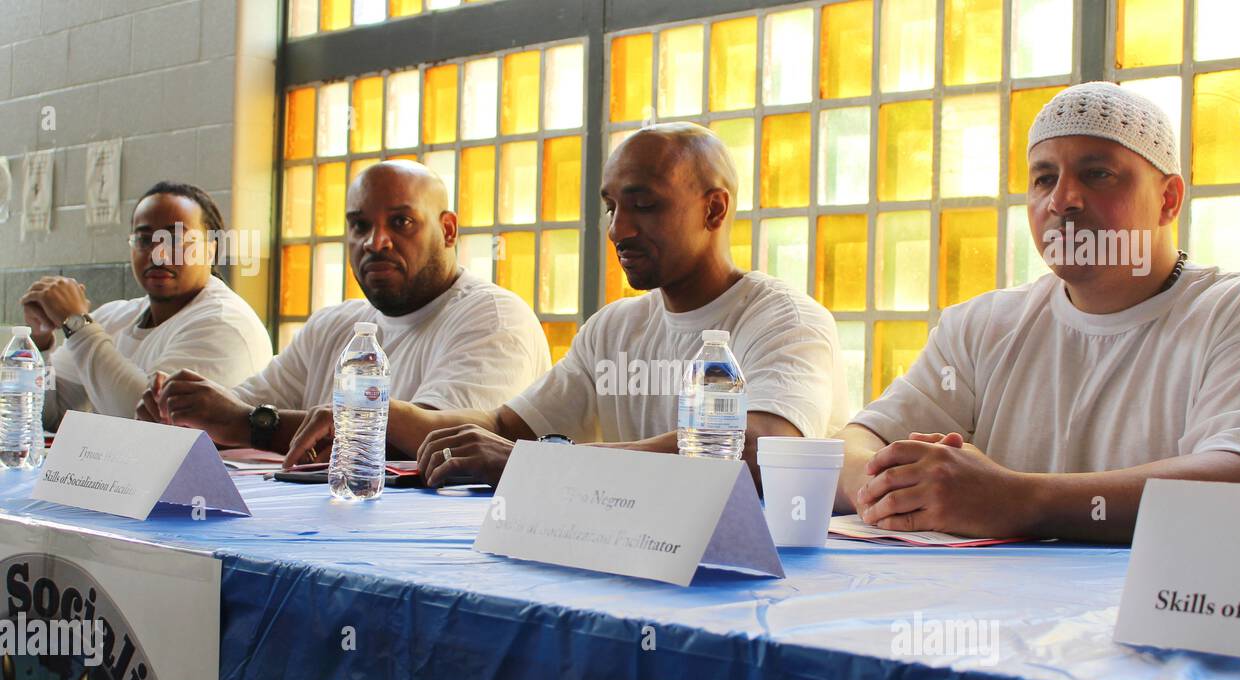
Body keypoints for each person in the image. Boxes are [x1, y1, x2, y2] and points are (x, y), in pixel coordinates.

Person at [832, 81, 1240, 543]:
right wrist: (886, 490)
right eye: (1044, 178)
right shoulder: (982, 326)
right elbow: (860, 443)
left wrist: (1014, 500)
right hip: (995, 608)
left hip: (1163, 616)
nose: (1062, 201)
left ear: (1168, 199)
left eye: (1097, 174)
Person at [280, 123, 851, 485]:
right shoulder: (615, 327)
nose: (617, 228)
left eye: (643, 205)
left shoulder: (783, 319)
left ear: (714, 210)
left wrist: (546, 464)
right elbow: (509, 426)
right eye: (610, 207)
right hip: (645, 558)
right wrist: (391, 416)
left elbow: (757, 451)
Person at [136, 160, 551, 457]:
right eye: (360, 225)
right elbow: (237, 406)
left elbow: (428, 443)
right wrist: (182, 412)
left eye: (401, 222)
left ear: (447, 230)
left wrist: (248, 424)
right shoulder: (335, 325)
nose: (375, 242)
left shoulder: (492, 317)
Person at [19, 182, 272, 429]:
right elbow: (48, 412)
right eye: (144, 240)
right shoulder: (113, 317)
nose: (158, 254)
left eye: (175, 239)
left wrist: (76, 322)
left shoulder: (224, 323)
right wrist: (39, 345)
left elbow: (147, 426)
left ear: (210, 250)